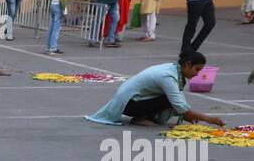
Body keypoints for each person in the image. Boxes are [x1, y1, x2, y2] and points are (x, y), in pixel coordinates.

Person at [86, 51, 225, 127]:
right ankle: (139, 118)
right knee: (169, 99)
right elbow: (179, 105)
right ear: (188, 64)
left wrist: (186, 115)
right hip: (128, 103)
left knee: (172, 98)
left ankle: (144, 116)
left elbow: (180, 103)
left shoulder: (173, 69)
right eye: (196, 70)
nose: (197, 74)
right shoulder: (168, 77)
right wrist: (210, 119)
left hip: (133, 100)